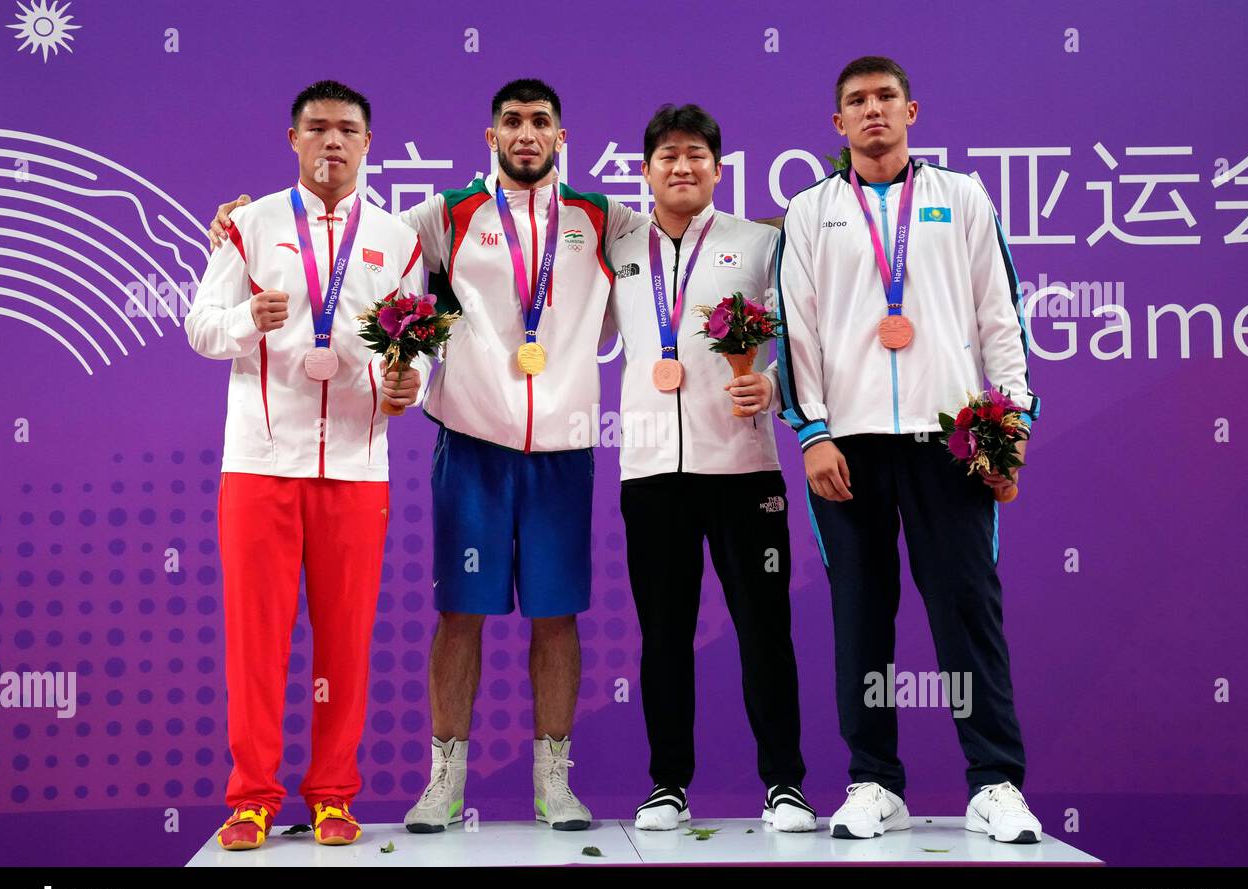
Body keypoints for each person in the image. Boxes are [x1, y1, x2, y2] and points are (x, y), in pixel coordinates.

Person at [209, 78, 652, 832]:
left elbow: (692, 233)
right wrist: (237, 222)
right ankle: (445, 777)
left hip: (564, 455)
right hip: (471, 448)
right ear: (490, 136)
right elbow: (359, 233)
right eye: (510, 121)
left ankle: (556, 781)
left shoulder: (603, 218)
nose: (526, 134)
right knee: (461, 616)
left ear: (561, 137)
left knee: (556, 617)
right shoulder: (438, 218)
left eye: (541, 122)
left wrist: (784, 230)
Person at [776, 56, 1045, 843]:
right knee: (862, 617)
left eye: (885, 98)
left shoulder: (962, 198)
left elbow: (1001, 315)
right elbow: (799, 331)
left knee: (966, 613)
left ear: (912, 111)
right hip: (849, 446)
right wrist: (813, 430)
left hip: (952, 441)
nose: (872, 112)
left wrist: (1011, 422)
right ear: (837, 124)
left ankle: (993, 780)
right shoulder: (810, 210)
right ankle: (873, 782)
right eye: (856, 102)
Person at [187, 80, 430, 850]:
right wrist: (242, 323)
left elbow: (415, 349)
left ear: (367, 145)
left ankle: (332, 794)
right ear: (292, 139)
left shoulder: (398, 241)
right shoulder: (247, 227)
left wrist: (406, 386)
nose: (332, 142)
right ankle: (252, 797)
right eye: (318, 128)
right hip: (259, 463)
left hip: (357, 468)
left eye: (347, 131)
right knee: (256, 640)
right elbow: (199, 326)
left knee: (346, 640)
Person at [605, 104, 814, 832]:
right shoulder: (616, 241)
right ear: (646, 171)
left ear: (718, 169)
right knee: (663, 633)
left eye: (696, 154)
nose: (682, 166)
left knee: (765, 628)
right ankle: (668, 785)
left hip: (745, 469)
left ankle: (785, 785)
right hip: (651, 473)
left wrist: (777, 387)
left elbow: (806, 338)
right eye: (667, 156)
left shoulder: (760, 244)